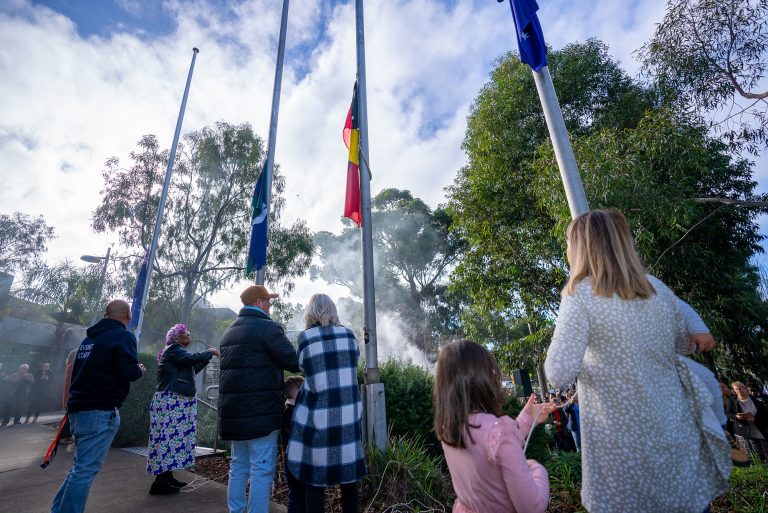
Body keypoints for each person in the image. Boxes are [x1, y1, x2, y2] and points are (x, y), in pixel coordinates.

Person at [544, 209, 731, 513]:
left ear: (581, 248)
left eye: (569, 243)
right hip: (675, 438)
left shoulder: (580, 294)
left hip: (625, 457)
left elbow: (558, 372)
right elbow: (684, 345)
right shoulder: (656, 287)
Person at [434, 339, 552, 513]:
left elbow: (492, 441)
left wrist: (527, 418)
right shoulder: (498, 431)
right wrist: (537, 469)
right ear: (485, 378)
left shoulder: (449, 425)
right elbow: (532, 507)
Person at [50, 299, 146, 513]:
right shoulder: (123, 336)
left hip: (79, 410)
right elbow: (128, 371)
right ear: (128, 316)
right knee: (84, 470)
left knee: (80, 467)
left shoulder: (89, 340)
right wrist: (139, 369)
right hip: (100, 411)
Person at [219, 285, 300, 513]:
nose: (270, 304)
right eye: (268, 300)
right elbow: (292, 361)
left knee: (238, 467)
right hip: (260, 416)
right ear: (258, 302)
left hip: (233, 415)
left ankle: (236, 510)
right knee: (261, 469)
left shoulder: (229, 332)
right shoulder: (267, 328)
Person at [286, 294, 366, 513]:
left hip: (319, 419)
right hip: (348, 418)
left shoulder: (306, 338)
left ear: (310, 312)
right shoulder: (349, 335)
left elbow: (301, 366)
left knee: (315, 481)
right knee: (349, 482)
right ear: (333, 310)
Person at [146, 323, 219, 495]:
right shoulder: (173, 349)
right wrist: (210, 352)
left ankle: (167, 478)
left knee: (171, 441)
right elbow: (190, 359)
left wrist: (207, 357)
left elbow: (192, 367)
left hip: (175, 401)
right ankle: (159, 483)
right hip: (171, 401)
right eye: (185, 333)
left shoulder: (176, 353)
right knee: (167, 441)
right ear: (176, 337)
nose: (189, 334)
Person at [727, 381, 768, 462]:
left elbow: (765, 416)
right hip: (743, 431)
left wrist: (755, 419)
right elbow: (728, 414)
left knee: (764, 451)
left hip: (758, 428)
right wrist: (736, 416)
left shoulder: (757, 402)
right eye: (736, 390)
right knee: (752, 455)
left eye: (740, 389)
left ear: (745, 389)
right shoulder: (732, 400)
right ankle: (756, 469)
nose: (738, 391)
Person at [281, 375, 305, 513]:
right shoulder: (289, 412)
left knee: (298, 494)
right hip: (294, 459)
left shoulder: (288, 410)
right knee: (296, 495)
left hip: (291, 458)